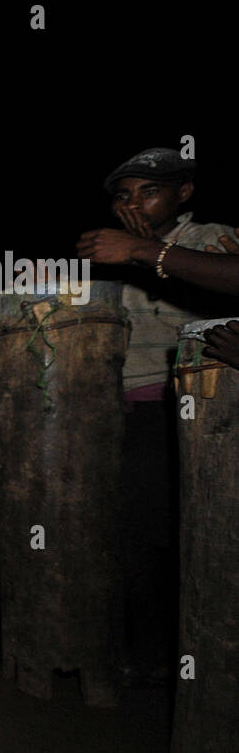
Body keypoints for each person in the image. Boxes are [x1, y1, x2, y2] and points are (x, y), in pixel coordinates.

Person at [75, 149, 235, 681]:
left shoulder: (209, 240)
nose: (134, 204)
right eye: (124, 195)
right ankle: (119, 650)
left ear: (183, 193)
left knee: (162, 534)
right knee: (112, 532)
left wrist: (146, 251)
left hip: (180, 408)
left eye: (150, 191)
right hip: (109, 407)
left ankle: (158, 659)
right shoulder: (112, 252)